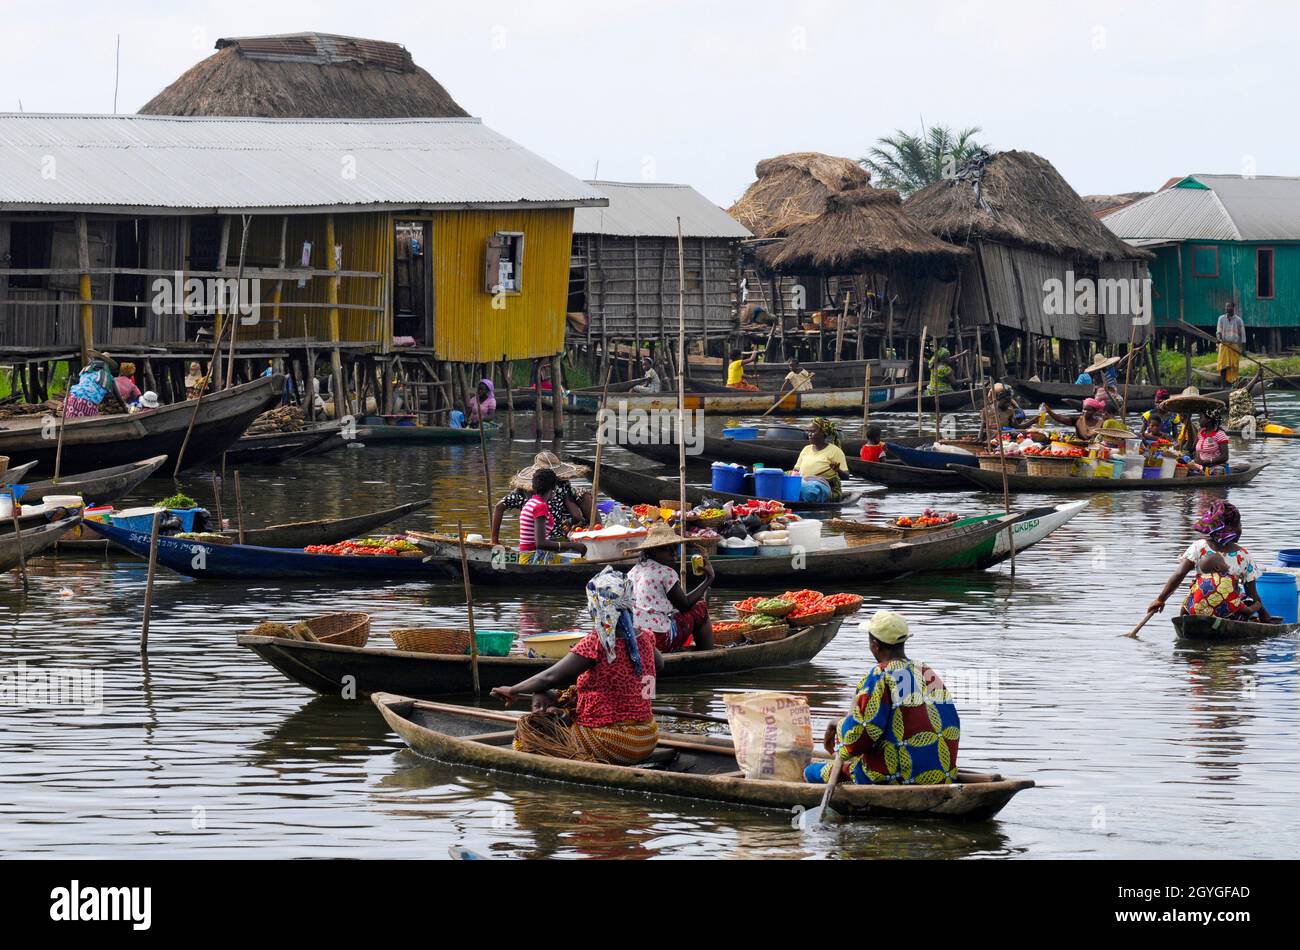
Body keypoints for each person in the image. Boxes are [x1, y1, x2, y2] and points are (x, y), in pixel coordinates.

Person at [491, 567, 662, 765]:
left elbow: (550, 677)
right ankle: (560, 713)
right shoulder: (646, 637)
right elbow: (659, 665)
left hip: (612, 742)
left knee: (529, 732)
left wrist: (512, 690)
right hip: (648, 737)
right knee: (557, 694)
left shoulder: (598, 642)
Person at [805, 610, 960, 786]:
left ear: (875, 645)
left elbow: (860, 736)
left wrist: (837, 726)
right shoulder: (925, 671)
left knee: (811, 772)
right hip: (942, 773)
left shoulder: (879, 675)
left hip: (893, 777)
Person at [1147, 500, 1273, 621]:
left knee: (1192, 593)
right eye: (1239, 525)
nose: (1241, 528)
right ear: (1229, 528)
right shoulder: (1244, 556)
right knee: (1246, 601)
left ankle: (1185, 619)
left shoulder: (1198, 547)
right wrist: (1263, 614)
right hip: (1228, 614)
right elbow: (1252, 594)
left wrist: (1160, 599)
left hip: (1199, 608)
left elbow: (1179, 574)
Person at [625, 523, 714, 652]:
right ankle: (709, 655)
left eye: (675, 549)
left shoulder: (634, 571)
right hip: (659, 639)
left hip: (636, 636)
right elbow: (685, 605)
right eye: (668, 550)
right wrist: (708, 579)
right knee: (700, 608)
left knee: (677, 613)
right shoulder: (666, 573)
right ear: (654, 550)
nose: (674, 555)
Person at [491, 452, 592, 546]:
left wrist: (494, 541)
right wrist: (570, 523)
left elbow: (499, 507)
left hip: (529, 543)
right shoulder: (561, 486)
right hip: (554, 541)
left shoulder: (522, 491)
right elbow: (576, 516)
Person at [516, 468, 584, 563]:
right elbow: (541, 543)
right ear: (553, 488)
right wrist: (572, 545)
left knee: (576, 559)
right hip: (533, 559)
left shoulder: (530, 502)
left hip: (528, 556)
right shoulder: (540, 506)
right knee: (578, 562)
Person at [1185, 550, 1264, 620]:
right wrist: (1251, 610)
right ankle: (1247, 613)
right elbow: (1234, 600)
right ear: (1217, 568)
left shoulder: (1199, 579)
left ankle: (1185, 616)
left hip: (1196, 613)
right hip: (1221, 616)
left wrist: (1183, 614)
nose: (1227, 565)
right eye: (1224, 563)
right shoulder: (1228, 579)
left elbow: (1188, 599)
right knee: (1246, 599)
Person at [795, 417, 848, 502]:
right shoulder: (806, 449)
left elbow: (846, 476)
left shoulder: (835, 451)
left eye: (813, 431)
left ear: (823, 432)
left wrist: (838, 470)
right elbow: (795, 471)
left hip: (825, 488)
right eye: (808, 431)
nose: (809, 434)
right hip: (804, 484)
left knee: (810, 491)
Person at [63, 354, 122, 419]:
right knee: (87, 427)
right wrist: (126, 409)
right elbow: (118, 397)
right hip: (87, 404)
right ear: (106, 365)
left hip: (71, 399)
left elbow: (84, 386)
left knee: (71, 424)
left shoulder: (85, 370)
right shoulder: (108, 377)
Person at [1187, 409, 1230, 475]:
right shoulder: (1201, 432)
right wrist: (1188, 422)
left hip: (1216, 466)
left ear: (1209, 419)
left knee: (1216, 471)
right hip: (1201, 466)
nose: (1199, 420)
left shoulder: (1219, 434)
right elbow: (1190, 448)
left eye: (1201, 417)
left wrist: (1207, 461)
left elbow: (1225, 457)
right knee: (1183, 461)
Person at [1216, 301, 1246, 385]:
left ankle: (1234, 384)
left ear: (1233, 308)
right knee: (1223, 365)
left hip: (1234, 346)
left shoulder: (1238, 320)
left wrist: (1243, 350)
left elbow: (1243, 335)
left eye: (1229, 307)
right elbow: (1218, 331)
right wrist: (1219, 338)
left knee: (1234, 366)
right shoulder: (1221, 318)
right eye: (1226, 307)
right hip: (1224, 344)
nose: (1227, 308)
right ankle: (1223, 385)